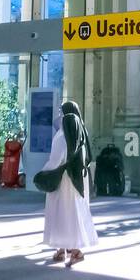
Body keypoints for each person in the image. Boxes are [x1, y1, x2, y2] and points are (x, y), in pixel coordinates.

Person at [35, 100, 97, 268]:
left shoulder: (62, 135)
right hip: (78, 181)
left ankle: (66, 249)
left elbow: (56, 160)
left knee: (60, 214)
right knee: (74, 213)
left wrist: (43, 173)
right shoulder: (81, 133)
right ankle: (69, 249)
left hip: (63, 181)